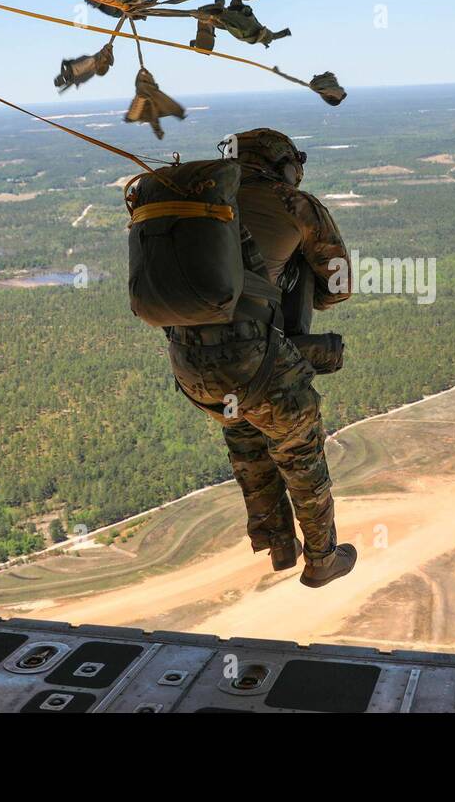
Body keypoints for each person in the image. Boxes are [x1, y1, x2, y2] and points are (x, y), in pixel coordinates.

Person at [167, 128, 356, 587]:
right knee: (300, 453)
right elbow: (338, 285)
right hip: (256, 360)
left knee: (248, 440)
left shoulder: (195, 200)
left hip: (190, 366)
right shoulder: (295, 204)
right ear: (284, 166)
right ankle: (321, 558)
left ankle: (278, 545)